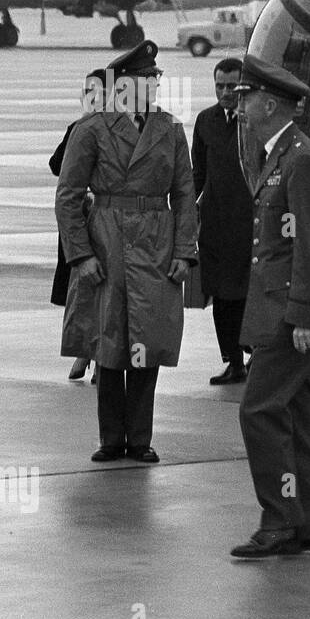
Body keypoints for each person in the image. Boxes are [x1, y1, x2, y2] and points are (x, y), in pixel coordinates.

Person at [56, 41, 198, 463]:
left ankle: (140, 438)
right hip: (108, 239)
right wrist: (81, 255)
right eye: (146, 79)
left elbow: (186, 194)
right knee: (110, 341)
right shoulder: (92, 129)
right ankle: (110, 438)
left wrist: (184, 251)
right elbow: (67, 196)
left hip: (156, 239)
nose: (154, 85)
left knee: (148, 340)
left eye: (155, 79)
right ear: (124, 85)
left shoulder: (170, 129)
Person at [230, 55, 310, 557]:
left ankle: (279, 520)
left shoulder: (302, 160)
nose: (239, 104)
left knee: (259, 410)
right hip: (282, 309)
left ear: (269, 103)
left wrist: (303, 316)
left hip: (289, 314)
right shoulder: (282, 153)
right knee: (298, 414)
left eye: (246, 97)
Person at [190, 57, 253, 385]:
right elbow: (197, 172)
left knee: (249, 292)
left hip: (249, 222)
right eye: (220, 86)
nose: (225, 92)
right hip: (215, 223)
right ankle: (232, 359)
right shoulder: (205, 121)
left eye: (232, 86)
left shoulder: (255, 120)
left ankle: (255, 353)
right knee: (220, 294)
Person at [51, 68, 106, 382]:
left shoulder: (119, 130)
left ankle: (97, 355)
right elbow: (56, 164)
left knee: (103, 289)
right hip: (81, 218)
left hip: (105, 218)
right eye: (88, 92)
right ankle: (85, 351)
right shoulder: (79, 127)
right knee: (82, 290)